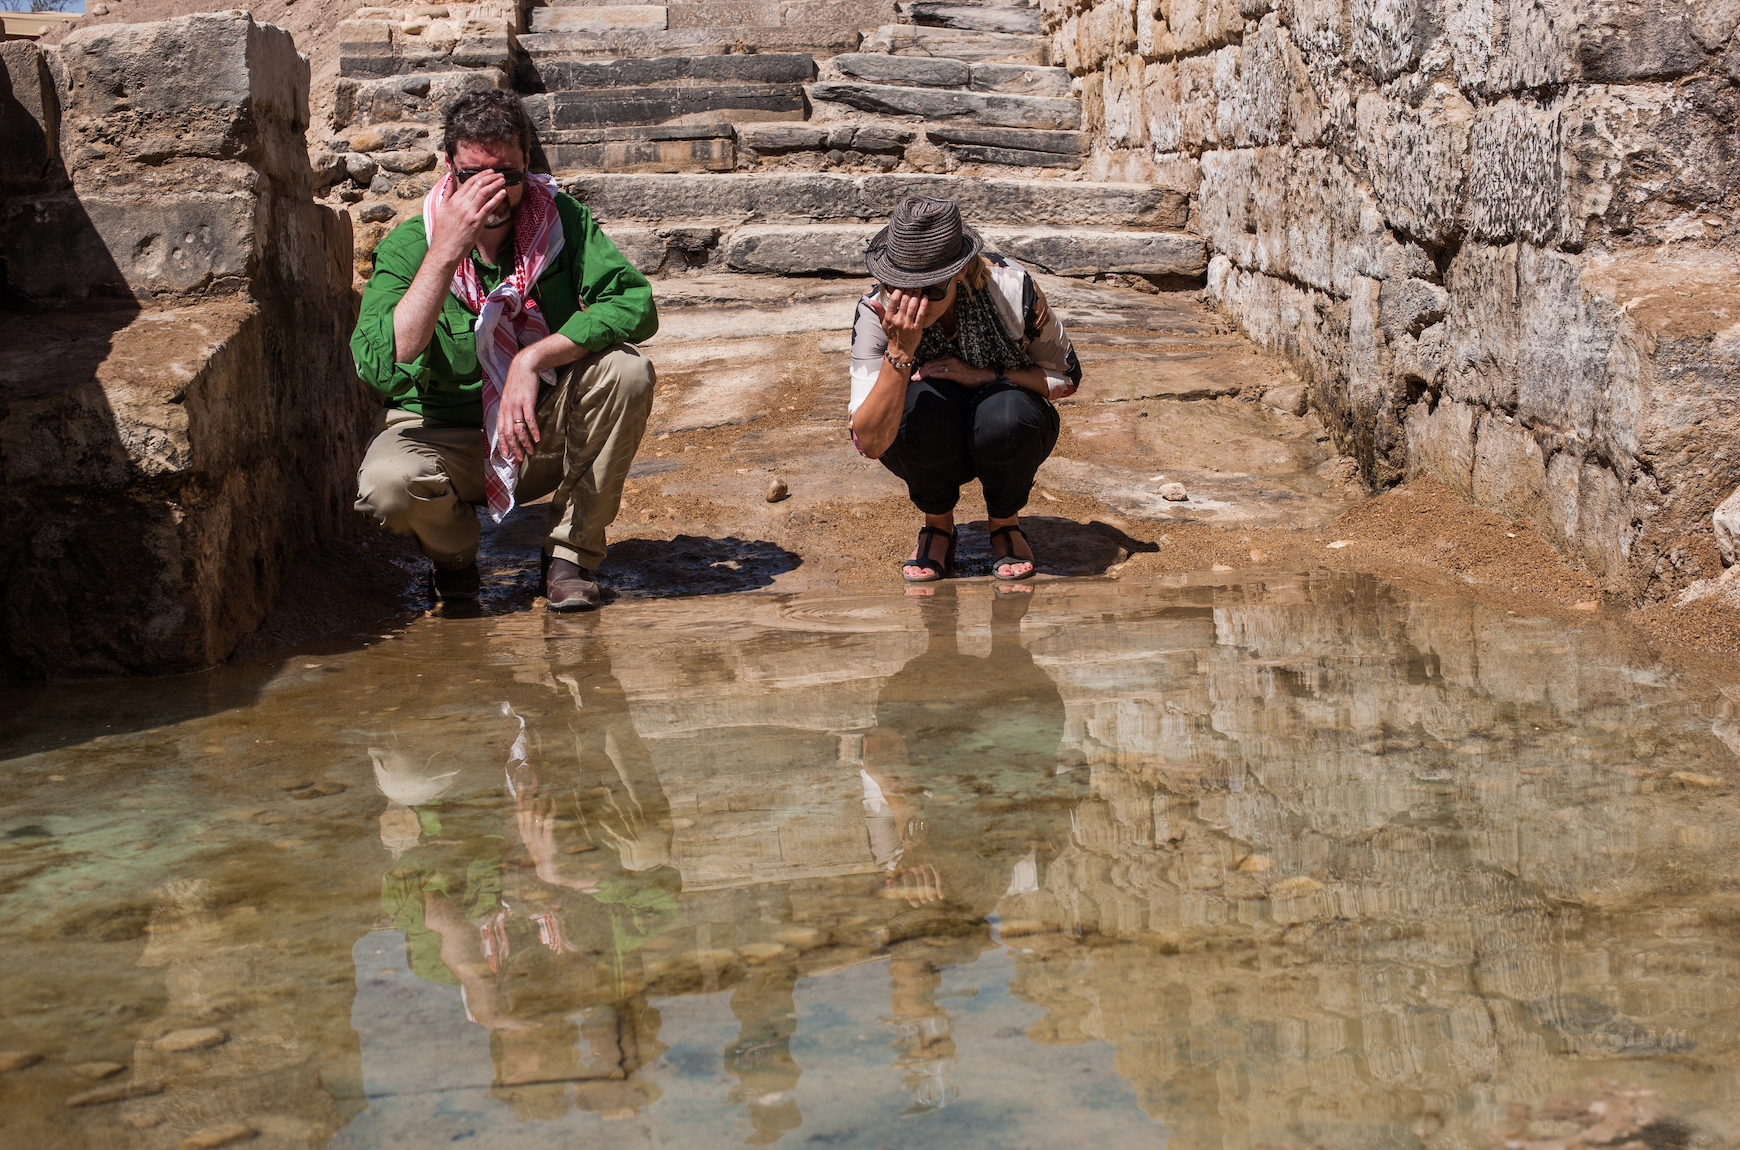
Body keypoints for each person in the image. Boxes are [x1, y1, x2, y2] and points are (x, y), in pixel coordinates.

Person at [351, 89, 658, 611]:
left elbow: (635, 304)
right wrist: (447, 249)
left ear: (525, 165)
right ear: (449, 167)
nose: (494, 192)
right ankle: (454, 559)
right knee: (387, 485)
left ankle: (570, 555)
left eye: (508, 175)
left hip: (536, 431)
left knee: (627, 371)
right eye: (475, 177)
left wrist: (532, 358)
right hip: (444, 439)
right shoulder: (412, 245)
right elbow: (380, 364)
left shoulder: (561, 221)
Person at [849, 196, 1082, 582]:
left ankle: (1004, 523)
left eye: (931, 290)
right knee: (917, 409)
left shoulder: (1011, 287)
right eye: (902, 287)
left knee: (1007, 414)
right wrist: (900, 352)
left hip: (1003, 416)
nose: (916, 305)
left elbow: (1067, 378)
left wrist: (991, 375)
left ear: (959, 272)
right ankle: (938, 526)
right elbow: (870, 441)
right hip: (934, 428)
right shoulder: (876, 311)